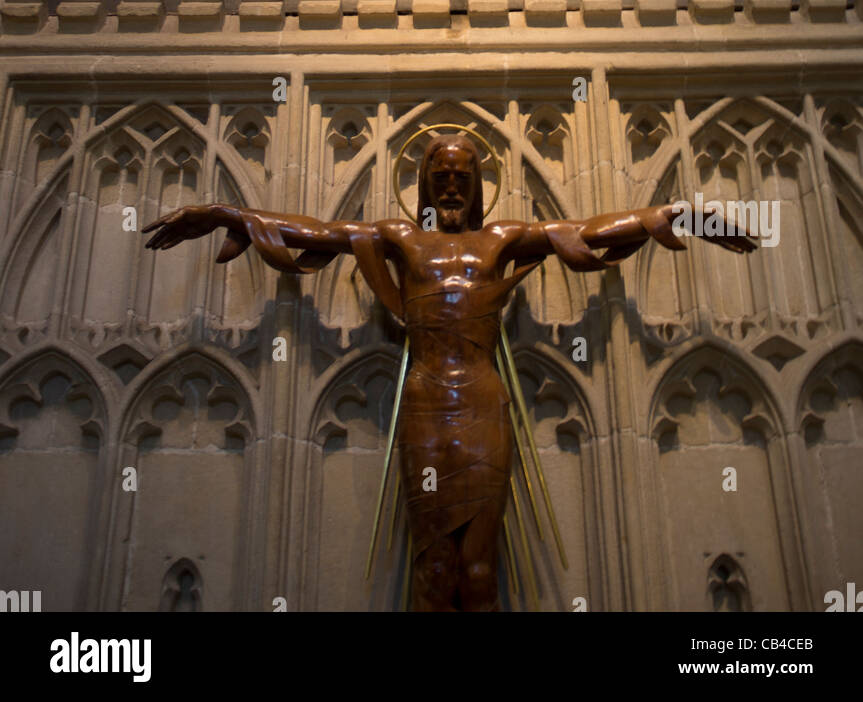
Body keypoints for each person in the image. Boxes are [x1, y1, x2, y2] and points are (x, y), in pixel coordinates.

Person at [144, 132, 754, 611]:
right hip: (425, 406)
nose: (453, 186)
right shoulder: (401, 240)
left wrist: (680, 214)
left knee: (481, 569)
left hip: (484, 405)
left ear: (478, 185)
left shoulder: (502, 240)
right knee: (433, 570)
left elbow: (590, 232)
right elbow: (318, 233)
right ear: (426, 187)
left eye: (463, 177)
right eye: (442, 178)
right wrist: (226, 213)